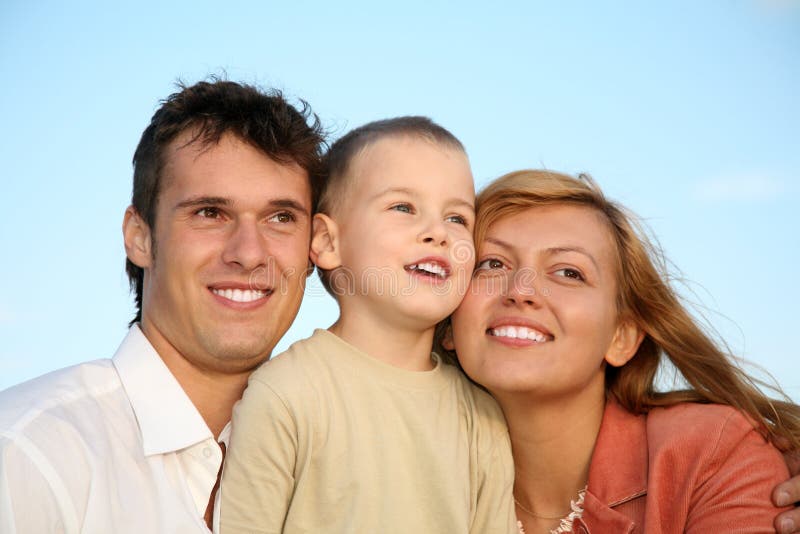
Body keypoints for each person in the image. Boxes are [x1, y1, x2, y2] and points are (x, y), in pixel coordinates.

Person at [0, 79, 326, 533]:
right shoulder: (26, 454)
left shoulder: (336, 468)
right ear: (140, 237)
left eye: (281, 217)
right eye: (210, 212)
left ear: (314, 248)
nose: (249, 253)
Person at [440, 169, 800, 533]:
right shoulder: (418, 467)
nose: (521, 290)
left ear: (622, 337)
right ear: (448, 319)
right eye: (492, 264)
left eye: (568, 272)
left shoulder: (712, 452)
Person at [218, 117, 517, 534]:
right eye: (403, 208)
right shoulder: (286, 393)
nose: (438, 233)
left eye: (457, 218)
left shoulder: (482, 420)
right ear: (327, 241)